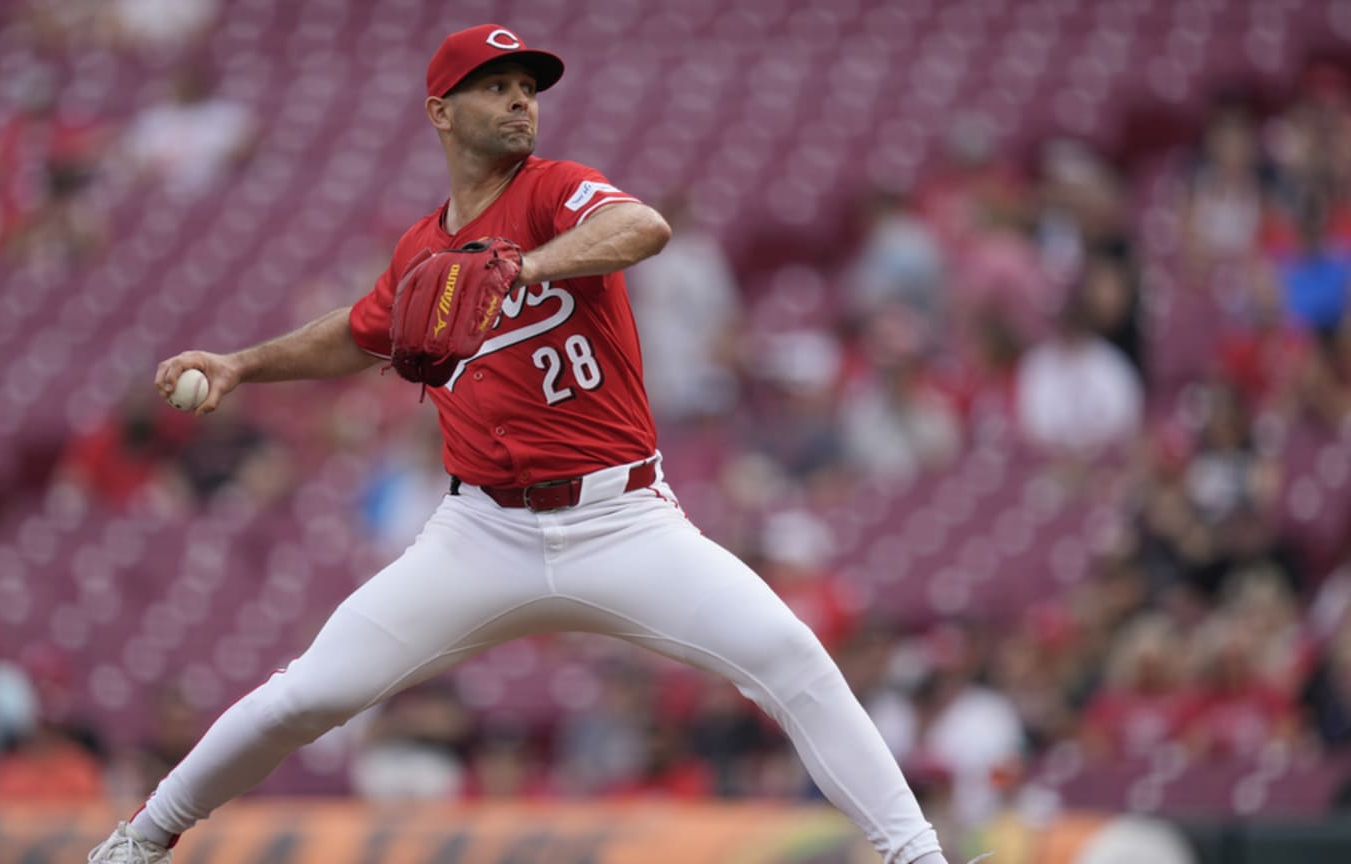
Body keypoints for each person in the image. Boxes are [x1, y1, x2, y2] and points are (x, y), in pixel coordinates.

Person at [88, 24, 962, 864]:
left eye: (526, 89)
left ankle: (921, 858)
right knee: (311, 694)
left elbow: (644, 227)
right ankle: (140, 840)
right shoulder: (424, 251)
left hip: (624, 520)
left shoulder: (553, 193)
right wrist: (240, 365)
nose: (519, 102)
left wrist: (525, 266)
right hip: (481, 535)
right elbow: (362, 333)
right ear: (440, 110)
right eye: (495, 87)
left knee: (789, 656)